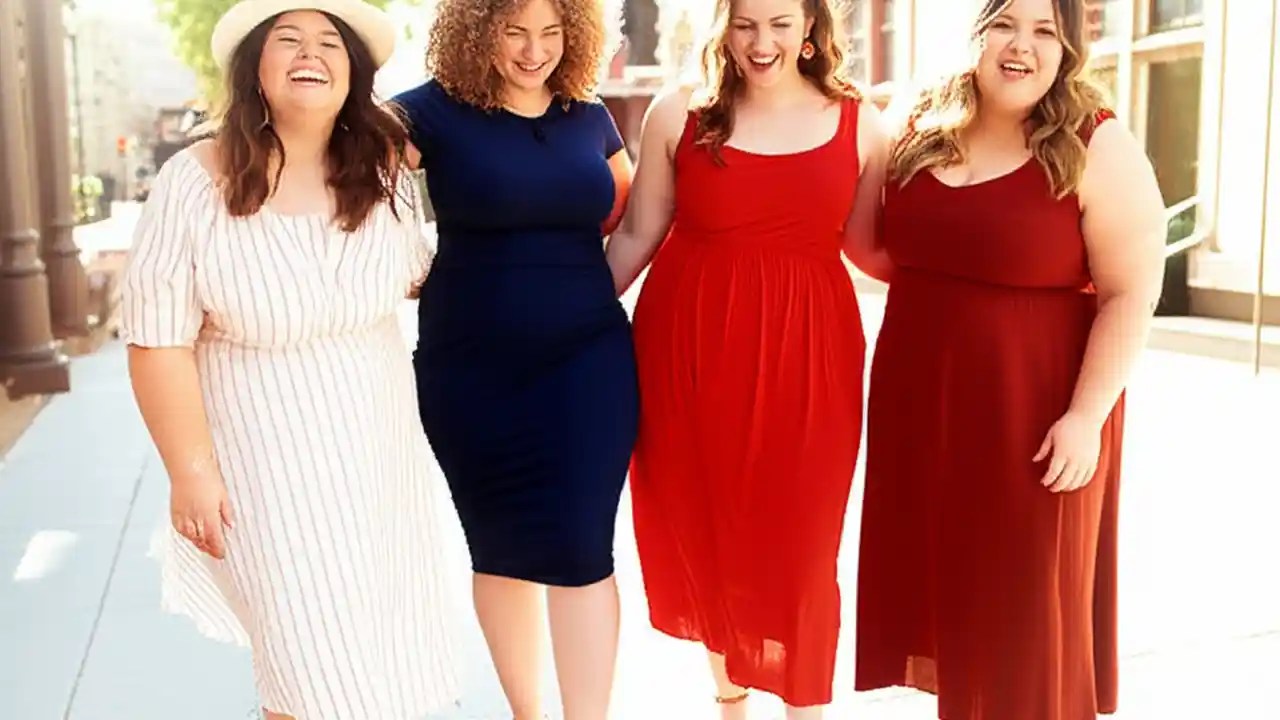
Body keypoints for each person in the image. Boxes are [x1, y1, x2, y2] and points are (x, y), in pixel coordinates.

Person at [121, 2, 459, 718]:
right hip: (262, 468)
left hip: (376, 461)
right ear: (256, 67)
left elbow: (417, 273)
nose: (311, 53)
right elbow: (156, 341)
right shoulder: (194, 181)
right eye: (289, 39)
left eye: (330, 42)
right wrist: (190, 471)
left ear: (352, 71)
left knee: (378, 657)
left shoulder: (382, 172)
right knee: (304, 664)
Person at [853, 1, 1166, 718]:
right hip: (925, 409)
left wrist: (1086, 417)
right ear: (974, 32)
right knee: (953, 611)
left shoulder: (1097, 143)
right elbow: (871, 245)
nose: (1020, 45)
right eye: (1004, 24)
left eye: (1044, 31)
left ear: (1069, 47)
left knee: (1024, 630)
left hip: (1038, 416)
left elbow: (1131, 292)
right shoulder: (917, 125)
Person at [604, 0, 889, 716]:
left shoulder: (862, 123)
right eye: (745, 24)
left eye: (780, 23)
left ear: (811, 26)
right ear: (722, 26)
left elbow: (868, 247)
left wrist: (970, 286)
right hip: (689, 355)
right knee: (710, 532)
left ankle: (802, 706)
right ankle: (729, 700)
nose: (762, 42)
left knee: (803, 547)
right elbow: (638, 234)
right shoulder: (680, 112)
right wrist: (562, 316)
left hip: (811, 357)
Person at [387, 1, 635, 718]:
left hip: (588, 359)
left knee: (583, 545)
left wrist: (575, 294)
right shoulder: (426, 113)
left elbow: (622, 211)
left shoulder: (589, 117)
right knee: (498, 545)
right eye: (515, 32)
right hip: (470, 364)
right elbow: (348, 186)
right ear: (476, 30)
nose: (535, 51)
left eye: (551, 33)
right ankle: (528, 713)